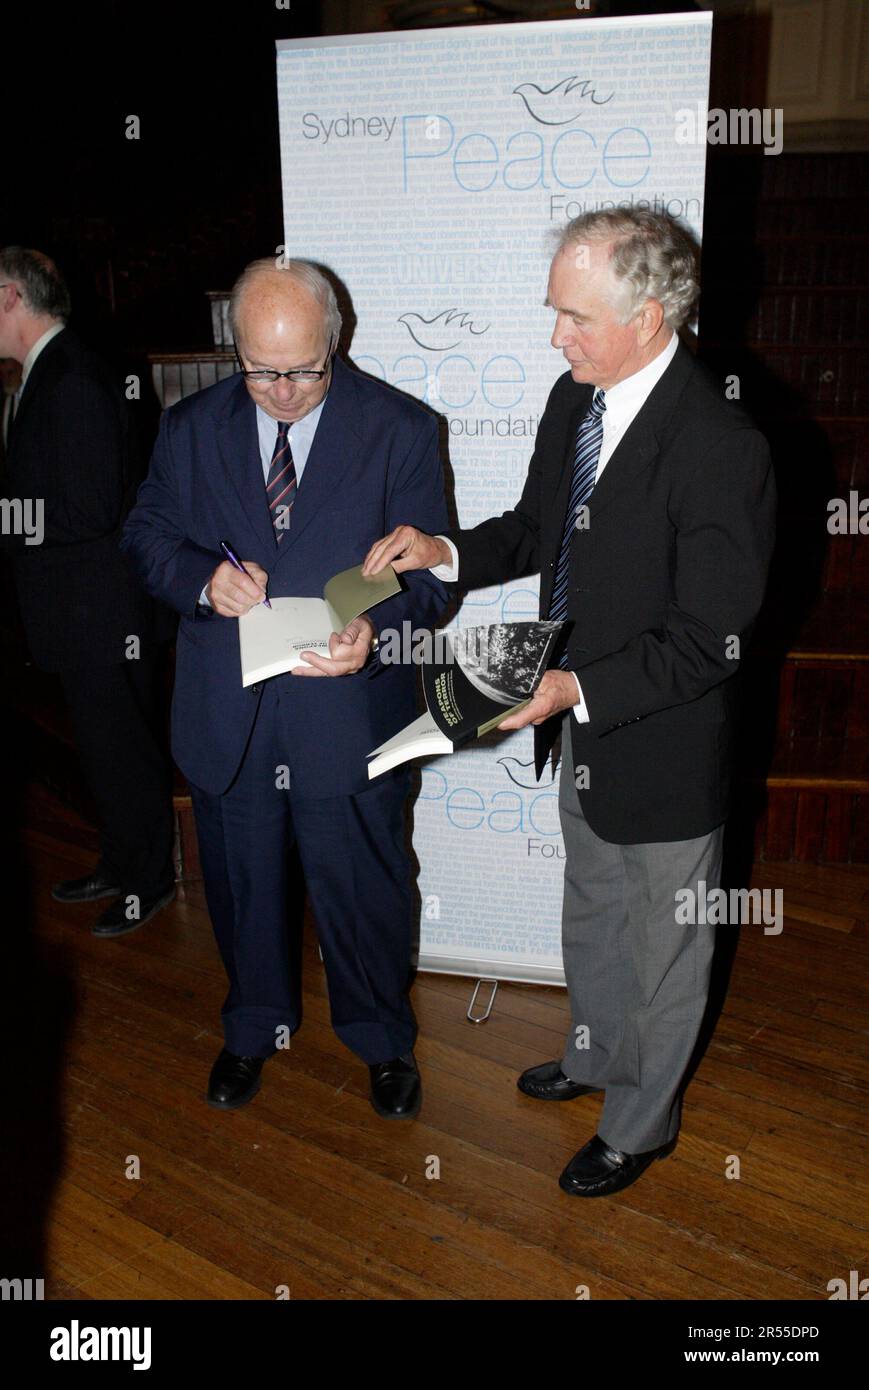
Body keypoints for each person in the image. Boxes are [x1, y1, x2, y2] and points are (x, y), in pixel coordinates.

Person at [363, 209, 776, 1195]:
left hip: (659, 747)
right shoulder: (572, 399)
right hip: (581, 730)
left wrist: (572, 687)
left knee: (663, 950)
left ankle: (639, 1125)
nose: (556, 337)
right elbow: (534, 528)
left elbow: (709, 639)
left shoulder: (719, 442)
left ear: (649, 312)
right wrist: (445, 550)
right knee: (590, 910)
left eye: (574, 316)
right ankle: (593, 1056)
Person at [122, 258, 448, 1117]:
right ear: (236, 350)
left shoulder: (402, 429)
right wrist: (202, 580)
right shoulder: (190, 427)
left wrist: (374, 631)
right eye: (260, 370)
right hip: (230, 716)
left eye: (302, 370)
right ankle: (251, 1027)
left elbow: (434, 575)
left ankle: (382, 1041)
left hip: (347, 714)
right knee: (241, 891)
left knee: (365, 891)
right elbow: (146, 533)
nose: (281, 391)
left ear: (332, 344)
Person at [0, 247, 175, 936]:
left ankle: (148, 882)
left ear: (11, 295)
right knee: (106, 750)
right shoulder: (55, 369)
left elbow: (91, 507)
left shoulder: (70, 375)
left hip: (102, 610)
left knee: (123, 748)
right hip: (86, 611)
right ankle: (121, 864)